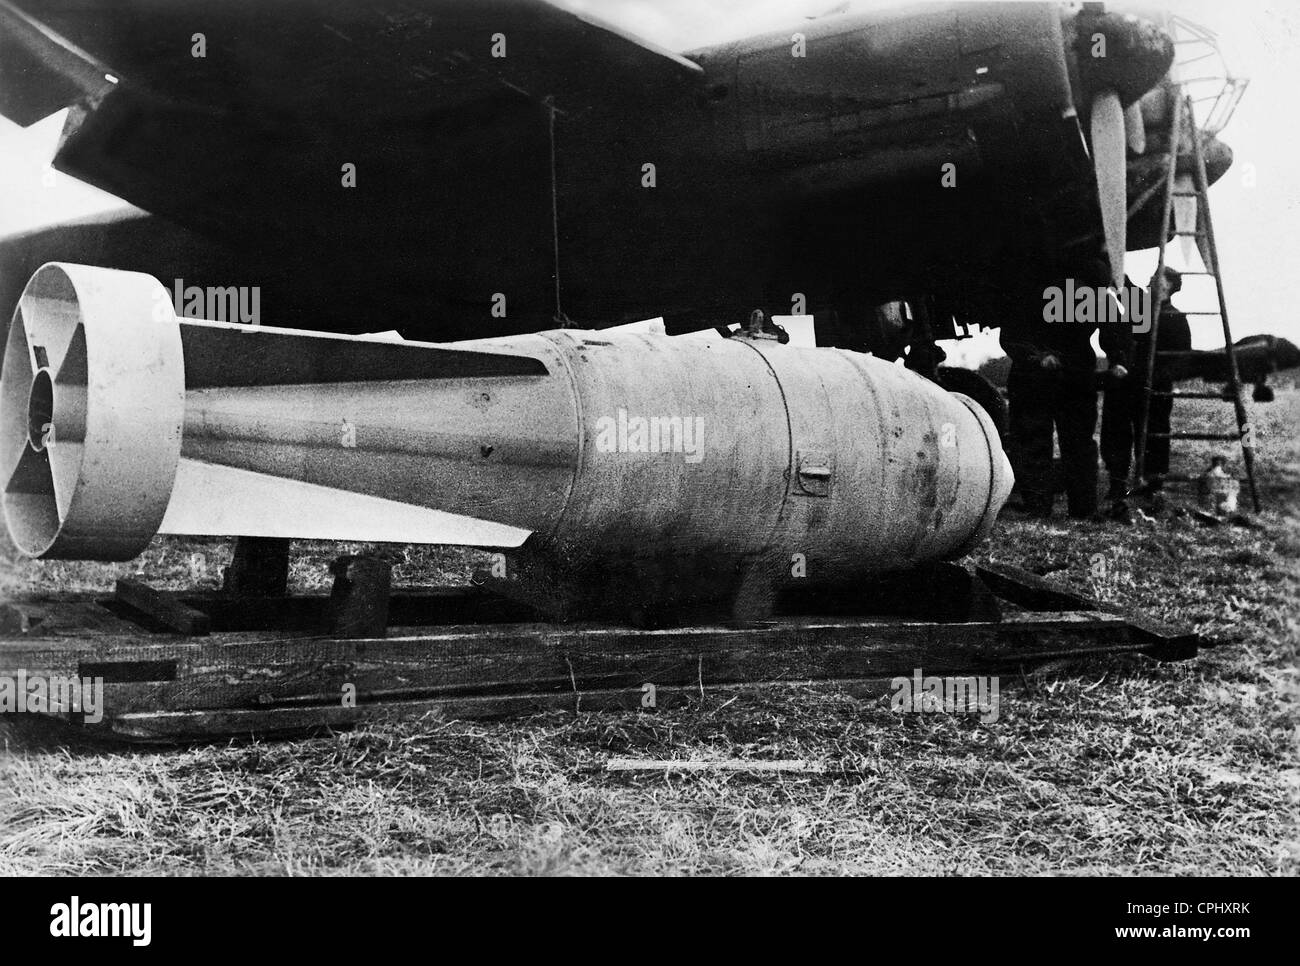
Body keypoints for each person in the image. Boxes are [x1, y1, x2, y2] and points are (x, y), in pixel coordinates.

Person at [1000, 269, 1127, 519]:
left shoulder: (1034, 288)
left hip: (1051, 376)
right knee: (1071, 443)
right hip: (1055, 375)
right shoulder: (1095, 293)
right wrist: (1118, 359)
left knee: (1041, 442)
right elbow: (1116, 329)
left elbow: (1010, 336)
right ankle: (1072, 509)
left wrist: (1118, 358)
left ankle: (1048, 507)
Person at [1100, 267, 1192, 518]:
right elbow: (1124, 285)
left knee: (1154, 436)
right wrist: (1113, 261)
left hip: (1155, 388)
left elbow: (1181, 359)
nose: (1151, 279)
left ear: (1169, 286)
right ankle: (1118, 483)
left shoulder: (1176, 318)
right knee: (1116, 432)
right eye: (1151, 276)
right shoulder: (1139, 305)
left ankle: (1153, 486)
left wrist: (1157, 378)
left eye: (1157, 277)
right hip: (1125, 383)